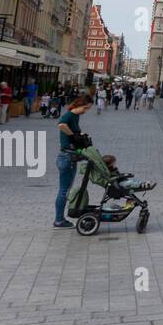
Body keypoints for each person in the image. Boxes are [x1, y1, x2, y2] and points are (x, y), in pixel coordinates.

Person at [54, 96, 92, 228]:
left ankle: (60, 218)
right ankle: (59, 220)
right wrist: (72, 135)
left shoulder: (76, 117)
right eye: (85, 108)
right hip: (66, 156)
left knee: (66, 189)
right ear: (80, 104)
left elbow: (75, 132)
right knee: (64, 190)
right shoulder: (69, 115)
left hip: (70, 156)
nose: (85, 111)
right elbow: (61, 125)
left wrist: (80, 135)